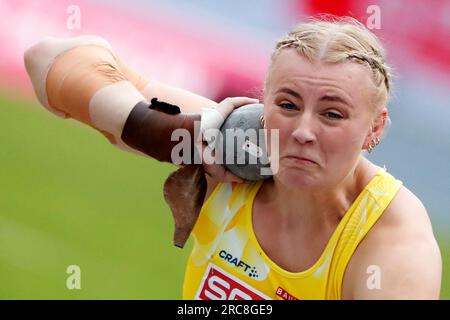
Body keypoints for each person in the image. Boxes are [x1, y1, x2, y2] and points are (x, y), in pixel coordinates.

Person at [24, 16, 441, 299]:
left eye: (332, 114)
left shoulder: (391, 243)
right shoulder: (231, 147)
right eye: (288, 104)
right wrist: (165, 133)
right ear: (263, 105)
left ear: (375, 128)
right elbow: (49, 58)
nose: (302, 132)